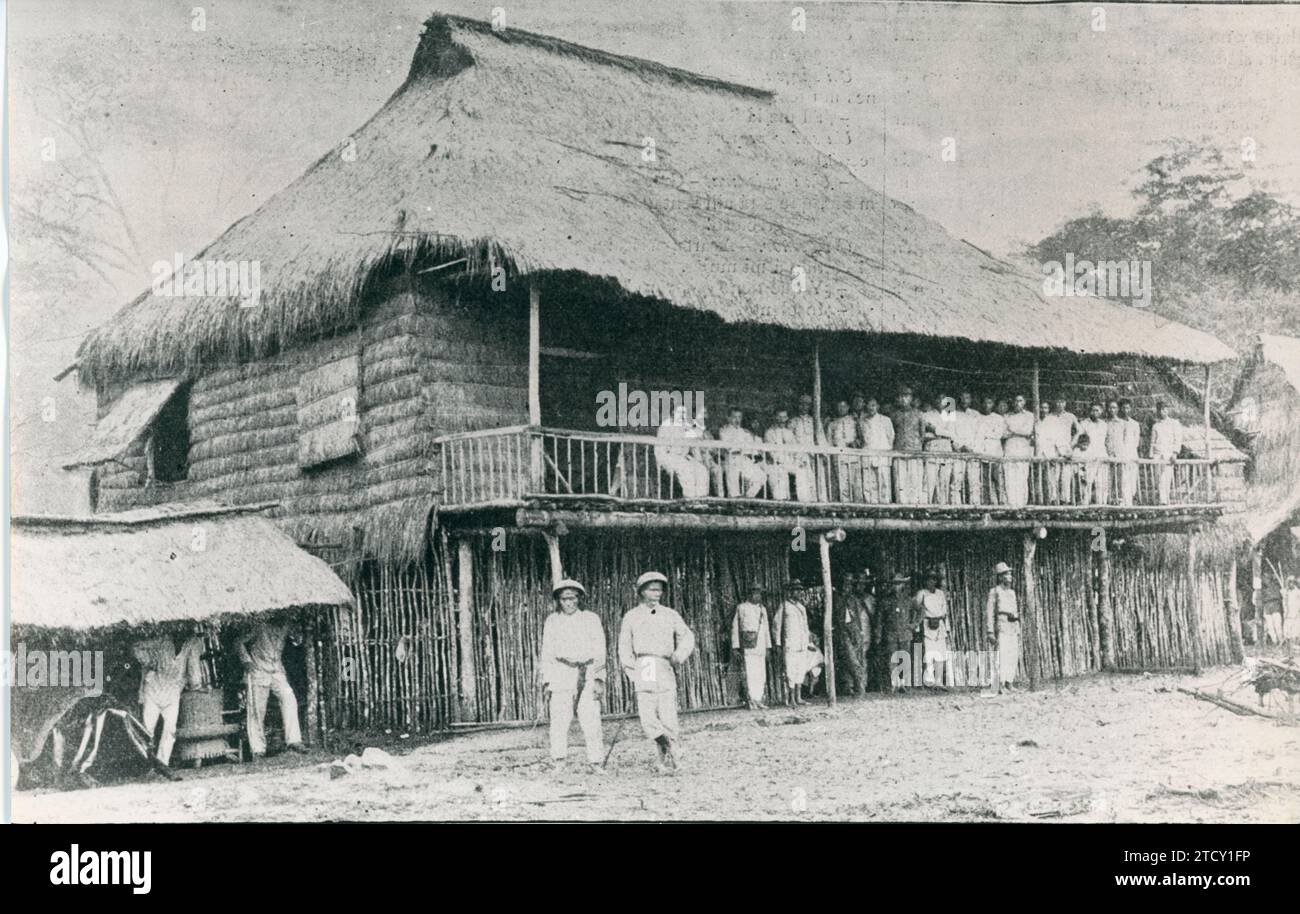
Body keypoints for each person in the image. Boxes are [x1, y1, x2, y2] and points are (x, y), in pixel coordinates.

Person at [618, 571, 695, 772]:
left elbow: (687, 636)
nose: (657, 593)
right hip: (645, 664)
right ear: (642, 591)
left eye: (660, 590)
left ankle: (665, 762)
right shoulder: (632, 616)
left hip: (664, 664)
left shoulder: (670, 614)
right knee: (648, 717)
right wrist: (631, 671)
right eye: (652, 589)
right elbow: (624, 647)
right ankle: (672, 748)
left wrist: (679, 654)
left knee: (668, 715)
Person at [540, 579, 606, 772]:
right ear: (558, 600)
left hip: (587, 671)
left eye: (573, 598)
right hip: (561, 672)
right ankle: (559, 761)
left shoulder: (591, 619)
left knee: (591, 719)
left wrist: (599, 678)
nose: (569, 603)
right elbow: (547, 652)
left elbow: (600, 650)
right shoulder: (552, 621)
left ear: (579, 599)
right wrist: (547, 680)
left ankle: (596, 762)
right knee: (559, 720)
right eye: (564, 599)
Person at [131, 632, 204, 767]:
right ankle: (147, 764)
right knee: (147, 729)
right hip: (153, 690)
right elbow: (137, 647)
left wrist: (196, 685)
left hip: (172, 692)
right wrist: (147, 661)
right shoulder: (162, 641)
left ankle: (162, 763)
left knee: (170, 730)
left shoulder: (191, 644)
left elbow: (194, 672)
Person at [238, 619, 307, 757]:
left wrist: (299, 634)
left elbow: (297, 641)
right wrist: (247, 661)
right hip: (258, 671)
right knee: (257, 710)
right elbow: (238, 642)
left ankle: (294, 740)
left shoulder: (286, 626)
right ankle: (258, 749)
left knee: (289, 699)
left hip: (276, 671)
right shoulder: (259, 626)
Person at [655, 403, 710, 498]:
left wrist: (699, 460)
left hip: (683, 458)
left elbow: (694, 443)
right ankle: (690, 499)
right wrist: (662, 464)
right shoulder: (665, 426)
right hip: (669, 457)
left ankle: (701, 498)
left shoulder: (686, 426)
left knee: (701, 470)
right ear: (673, 412)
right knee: (686, 470)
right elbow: (660, 451)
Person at [731, 585, 772, 709]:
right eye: (756, 593)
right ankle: (751, 700)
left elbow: (766, 629)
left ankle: (759, 699)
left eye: (759, 594)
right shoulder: (742, 608)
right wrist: (735, 646)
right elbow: (735, 627)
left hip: (760, 645)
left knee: (761, 673)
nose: (758, 596)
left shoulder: (762, 609)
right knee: (750, 672)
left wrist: (768, 646)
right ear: (750, 594)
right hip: (748, 645)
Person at [773, 580, 813, 706]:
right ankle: (791, 698)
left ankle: (798, 697)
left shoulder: (802, 608)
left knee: (800, 670)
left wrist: (807, 642)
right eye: (796, 590)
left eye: (800, 590)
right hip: (790, 644)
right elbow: (776, 625)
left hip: (801, 644)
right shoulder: (784, 606)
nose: (799, 592)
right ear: (790, 592)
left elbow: (805, 627)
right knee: (790, 671)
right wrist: (778, 643)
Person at [876, 572, 915, 692]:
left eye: (899, 584)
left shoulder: (908, 599)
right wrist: (878, 634)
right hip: (890, 634)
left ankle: (904, 684)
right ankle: (894, 684)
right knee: (892, 659)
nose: (896, 587)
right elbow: (879, 619)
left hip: (905, 634)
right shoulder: (885, 601)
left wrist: (914, 624)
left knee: (905, 659)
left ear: (903, 585)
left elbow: (921, 610)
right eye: (894, 584)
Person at [985, 562, 1021, 690]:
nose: (1010, 576)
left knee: (1012, 654)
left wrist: (1016, 623)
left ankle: (1009, 682)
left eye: (1010, 574)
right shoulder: (995, 591)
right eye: (1006, 574)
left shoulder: (1012, 593)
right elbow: (989, 612)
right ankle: (999, 684)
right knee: (1002, 654)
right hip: (1002, 626)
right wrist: (990, 631)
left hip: (1013, 626)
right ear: (1000, 577)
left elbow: (1015, 610)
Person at [764, 409, 813, 502]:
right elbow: (771, 453)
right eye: (779, 417)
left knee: (802, 470)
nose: (782, 420)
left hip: (789, 462)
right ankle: (781, 500)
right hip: (776, 463)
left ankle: (804, 500)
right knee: (779, 472)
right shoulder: (769, 432)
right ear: (775, 418)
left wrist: (799, 460)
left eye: (784, 417)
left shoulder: (789, 433)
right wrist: (781, 461)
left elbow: (795, 449)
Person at [719, 406, 767, 498]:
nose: (737, 420)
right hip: (731, 458)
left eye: (739, 417)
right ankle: (734, 497)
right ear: (728, 418)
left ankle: (748, 497)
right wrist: (741, 448)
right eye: (734, 417)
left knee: (761, 476)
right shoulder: (724, 431)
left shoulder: (744, 432)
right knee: (733, 476)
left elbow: (750, 448)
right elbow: (729, 448)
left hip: (744, 459)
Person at [913, 571, 950, 687]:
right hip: (927, 624)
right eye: (929, 580)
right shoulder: (921, 594)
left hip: (939, 624)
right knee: (929, 654)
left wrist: (946, 627)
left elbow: (944, 611)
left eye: (934, 580)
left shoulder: (940, 594)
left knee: (940, 653)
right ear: (925, 581)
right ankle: (929, 681)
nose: (931, 582)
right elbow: (916, 609)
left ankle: (939, 681)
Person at [834, 574, 868, 696]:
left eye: (849, 584)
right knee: (850, 659)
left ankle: (857, 687)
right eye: (845, 583)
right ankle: (853, 686)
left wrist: (859, 631)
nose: (846, 586)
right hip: (842, 631)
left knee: (856, 658)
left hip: (854, 630)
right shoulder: (836, 598)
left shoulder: (853, 599)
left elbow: (857, 616)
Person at [790, 394, 829, 501]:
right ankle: (805, 502)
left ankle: (820, 500)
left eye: (806, 404)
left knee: (818, 479)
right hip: (800, 455)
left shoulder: (815, 421)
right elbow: (790, 439)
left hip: (814, 454)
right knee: (802, 480)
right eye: (801, 404)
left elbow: (820, 436)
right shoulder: (793, 422)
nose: (804, 407)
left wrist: (824, 453)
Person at [1037, 398, 1075, 504]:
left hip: (1065, 451)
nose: (1060, 404)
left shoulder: (1069, 417)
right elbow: (1044, 438)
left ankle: (1065, 501)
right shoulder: (1049, 419)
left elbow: (1079, 432)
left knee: (1066, 478)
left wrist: (1070, 447)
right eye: (1058, 401)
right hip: (1052, 451)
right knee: (1053, 478)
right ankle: (1052, 501)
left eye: (1062, 401)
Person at [858, 397, 895, 503]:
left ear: (877, 407)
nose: (871, 408)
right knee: (869, 482)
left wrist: (886, 450)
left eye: (873, 405)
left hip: (882, 454)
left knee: (884, 481)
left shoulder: (886, 420)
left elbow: (891, 436)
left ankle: (885, 504)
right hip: (868, 453)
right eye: (869, 405)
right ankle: (871, 504)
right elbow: (862, 438)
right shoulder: (862, 421)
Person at [923, 395, 959, 504]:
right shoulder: (926, 415)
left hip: (946, 450)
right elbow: (924, 435)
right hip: (932, 449)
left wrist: (935, 430)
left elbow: (952, 434)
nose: (941, 402)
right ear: (934, 400)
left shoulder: (950, 416)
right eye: (938, 399)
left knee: (944, 481)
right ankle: (926, 507)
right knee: (929, 481)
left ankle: (942, 507)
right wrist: (943, 434)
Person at [892, 387, 925, 504]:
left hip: (914, 451)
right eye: (901, 396)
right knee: (900, 481)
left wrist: (916, 445)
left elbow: (922, 433)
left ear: (911, 398)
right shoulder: (894, 415)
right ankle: (902, 506)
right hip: (899, 450)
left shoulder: (919, 414)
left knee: (914, 481)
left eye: (906, 396)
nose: (903, 399)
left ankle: (915, 507)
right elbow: (892, 433)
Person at [1001, 395, 1035, 507]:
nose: (1017, 403)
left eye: (1020, 400)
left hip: (1022, 448)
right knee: (1010, 476)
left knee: (1022, 476)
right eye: (1015, 401)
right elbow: (1003, 433)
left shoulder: (1029, 416)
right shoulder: (1007, 416)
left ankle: (1021, 505)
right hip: (1010, 447)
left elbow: (1028, 431)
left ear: (1024, 402)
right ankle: (1011, 505)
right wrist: (1017, 431)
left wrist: (1012, 430)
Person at [1107, 399, 1142, 506]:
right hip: (1118, 454)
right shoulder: (1116, 423)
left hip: (1130, 455)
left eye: (1127, 408)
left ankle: (1128, 502)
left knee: (1129, 481)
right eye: (1123, 408)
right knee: (1117, 480)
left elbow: (1135, 442)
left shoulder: (1134, 424)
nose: (1125, 410)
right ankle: (1116, 501)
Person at [1149, 402, 1185, 504]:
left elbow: (1177, 439)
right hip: (1157, 455)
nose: (1162, 412)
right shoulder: (1156, 425)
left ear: (1167, 410)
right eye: (1160, 410)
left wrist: (1175, 453)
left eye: (1164, 409)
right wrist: (1151, 456)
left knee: (1166, 477)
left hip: (1168, 455)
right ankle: (1161, 499)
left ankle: (1164, 501)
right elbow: (1152, 442)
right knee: (1158, 478)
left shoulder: (1174, 423)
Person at [827, 399, 862, 502]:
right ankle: (845, 505)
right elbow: (829, 442)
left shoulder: (855, 422)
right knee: (843, 483)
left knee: (855, 482)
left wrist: (856, 443)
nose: (841, 409)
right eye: (839, 407)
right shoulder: (832, 424)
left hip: (853, 456)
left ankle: (857, 505)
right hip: (839, 457)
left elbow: (861, 438)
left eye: (843, 406)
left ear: (848, 407)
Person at [1077, 404, 1111, 505]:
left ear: (1101, 412)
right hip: (1089, 455)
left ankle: (1101, 504)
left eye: (1097, 410)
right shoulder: (1084, 423)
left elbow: (1107, 440)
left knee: (1101, 482)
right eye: (1092, 410)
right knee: (1088, 481)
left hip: (1101, 455)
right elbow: (1079, 438)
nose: (1094, 413)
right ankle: (1085, 504)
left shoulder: (1104, 425)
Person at [975, 396, 1006, 505]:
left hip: (995, 453)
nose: (987, 405)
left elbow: (998, 434)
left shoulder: (998, 418)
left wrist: (985, 434)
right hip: (983, 453)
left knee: (998, 479)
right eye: (985, 403)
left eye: (989, 402)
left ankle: (1001, 502)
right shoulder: (977, 417)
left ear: (993, 404)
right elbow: (977, 435)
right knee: (985, 480)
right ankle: (987, 503)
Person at [952, 391, 982, 504]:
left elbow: (980, 433)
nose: (965, 400)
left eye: (967, 398)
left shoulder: (976, 415)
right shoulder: (953, 414)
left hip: (973, 451)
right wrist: (960, 446)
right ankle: (956, 506)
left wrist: (973, 448)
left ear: (971, 399)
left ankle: (975, 506)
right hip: (959, 452)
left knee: (974, 481)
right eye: (962, 398)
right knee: (956, 480)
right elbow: (951, 433)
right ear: (959, 399)